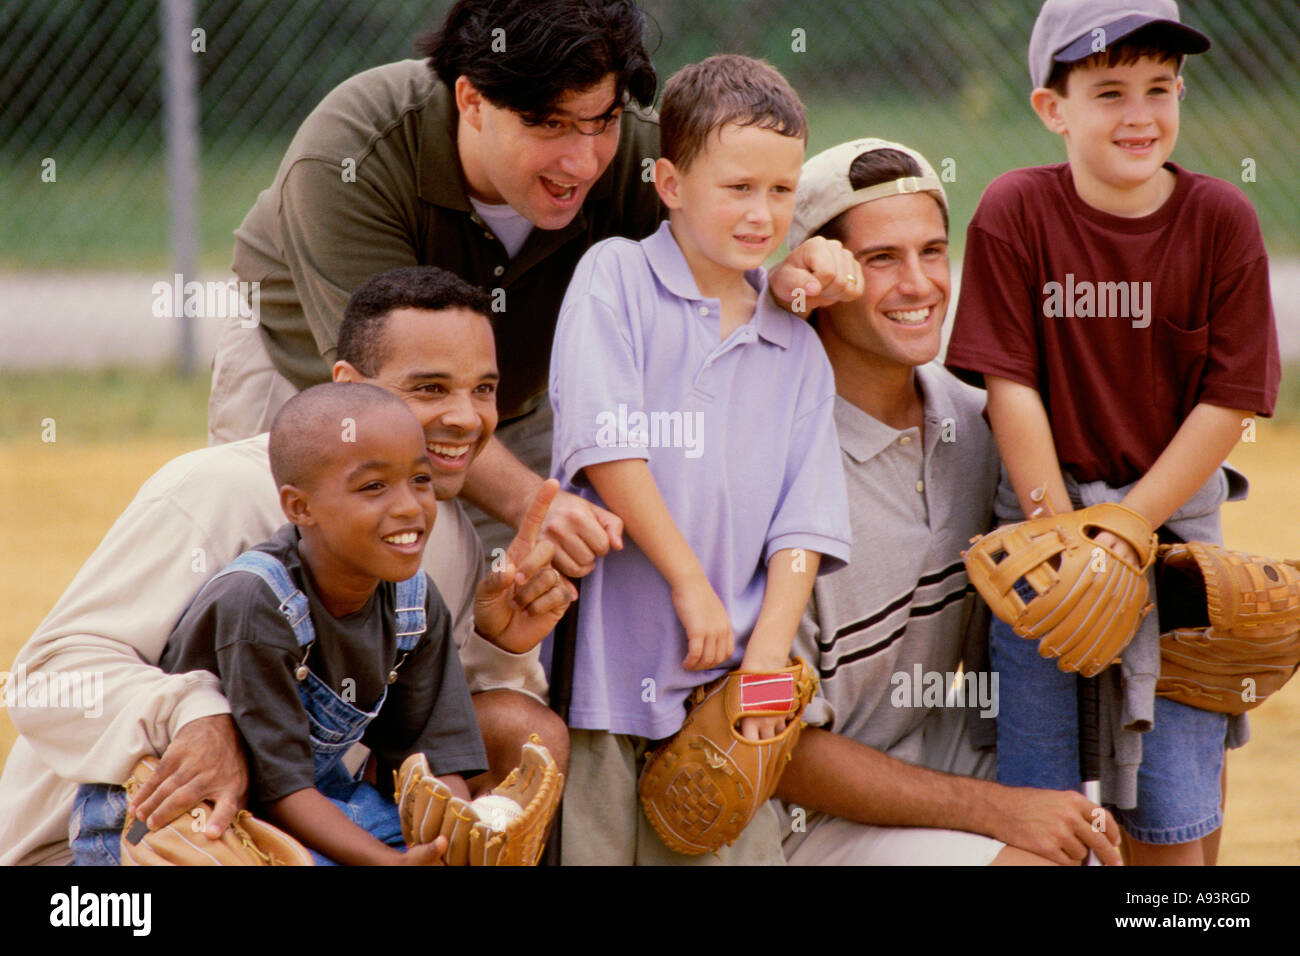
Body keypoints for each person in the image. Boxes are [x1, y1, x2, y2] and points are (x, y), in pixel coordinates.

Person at [209, 0, 863, 569]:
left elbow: (714, 268)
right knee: (294, 590)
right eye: (549, 123)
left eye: (601, 120)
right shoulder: (354, 151)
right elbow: (388, 390)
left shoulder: (637, 160)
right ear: (471, 100)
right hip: (313, 384)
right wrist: (531, 502)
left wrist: (781, 281)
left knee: (504, 624)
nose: (581, 161)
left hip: (515, 404)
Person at [0, 266, 571, 866]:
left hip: (311, 814)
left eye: (483, 389)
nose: (466, 416)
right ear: (347, 383)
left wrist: (501, 645)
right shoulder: (216, 491)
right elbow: (45, 680)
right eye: (430, 389)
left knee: (524, 731)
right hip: (122, 835)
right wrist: (199, 716)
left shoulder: (438, 530)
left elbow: (435, 724)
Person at [944, 0, 1280, 865]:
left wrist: (1131, 529)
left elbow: (1229, 401)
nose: (1140, 115)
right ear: (1052, 108)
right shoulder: (1016, 210)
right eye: (1109, 90)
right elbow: (1009, 384)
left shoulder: (1220, 221)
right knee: (1047, 812)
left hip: (1170, 541)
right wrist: (1064, 531)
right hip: (1042, 538)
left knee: (1172, 820)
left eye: (1160, 88)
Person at [774, 137, 1123, 866]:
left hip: (943, 751)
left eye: (933, 252)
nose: (920, 284)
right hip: (808, 818)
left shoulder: (981, 424)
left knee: (1134, 808)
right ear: (823, 278)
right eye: (880, 260)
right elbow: (790, 755)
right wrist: (1003, 812)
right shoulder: (775, 466)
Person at [549, 55, 851, 865]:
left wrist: (761, 672)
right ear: (671, 184)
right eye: (738, 188)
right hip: (607, 690)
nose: (763, 214)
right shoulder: (614, 279)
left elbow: (804, 526)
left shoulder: (796, 346)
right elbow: (610, 449)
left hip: (725, 705)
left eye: (782, 193)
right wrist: (690, 582)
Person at [76, 384, 493, 865]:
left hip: (313, 800)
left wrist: (451, 836)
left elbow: (433, 756)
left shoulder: (413, 603)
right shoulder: (260, 602)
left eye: (420, 480)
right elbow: (281, 790)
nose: (409, 506)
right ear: (299, 507)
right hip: (176, 818)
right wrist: (387, 863)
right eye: (373, 487)